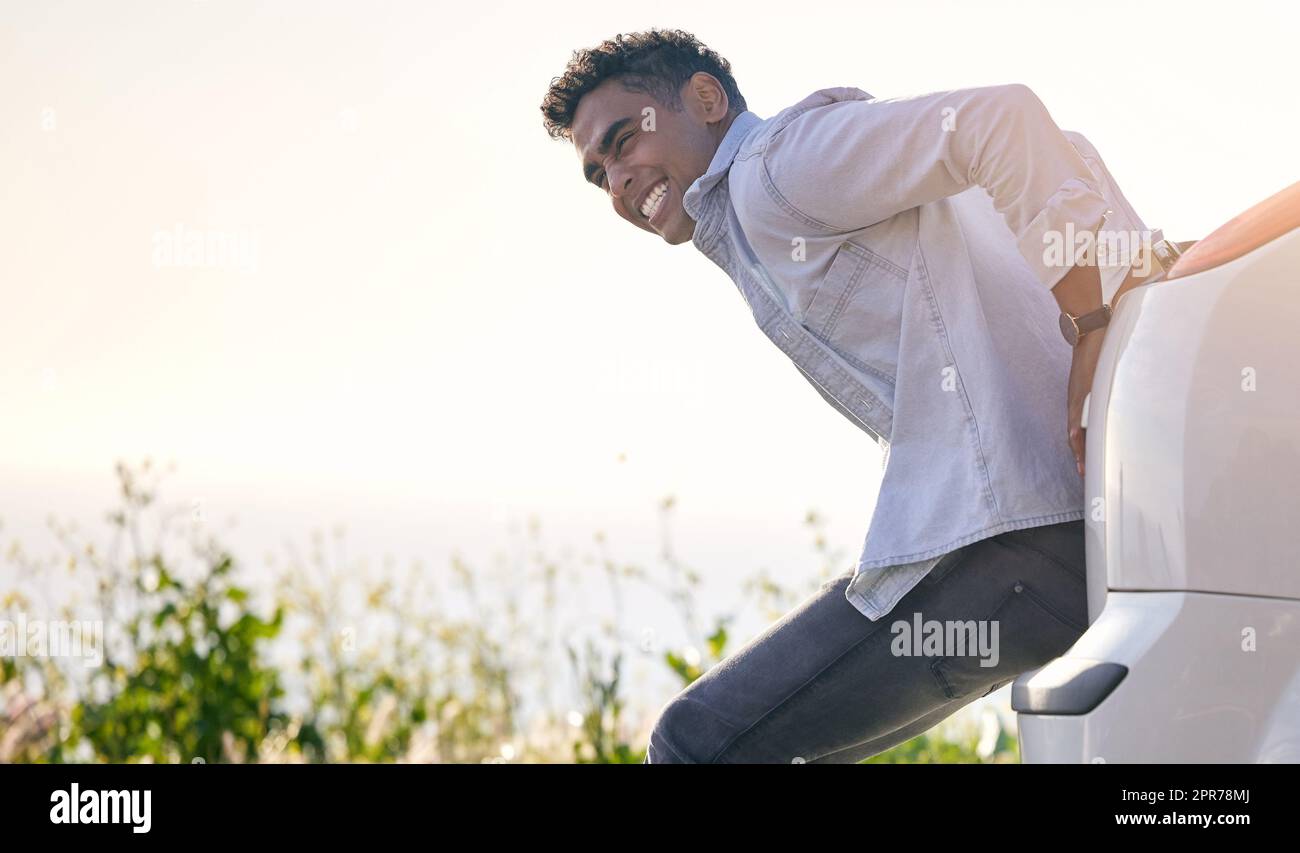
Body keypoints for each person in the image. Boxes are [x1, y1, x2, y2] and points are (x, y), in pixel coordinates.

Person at [539, 28, 1165, 763]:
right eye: (597, 173)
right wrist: (1128, 318)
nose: (616, 181)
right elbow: (1069, 153)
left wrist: (1095, 322)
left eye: (623, 141)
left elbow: (1002, 120)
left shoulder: (776, 169)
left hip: (1017, 544)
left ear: (706, 98)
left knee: (697, 743)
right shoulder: (759, 215)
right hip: (1074, 535)